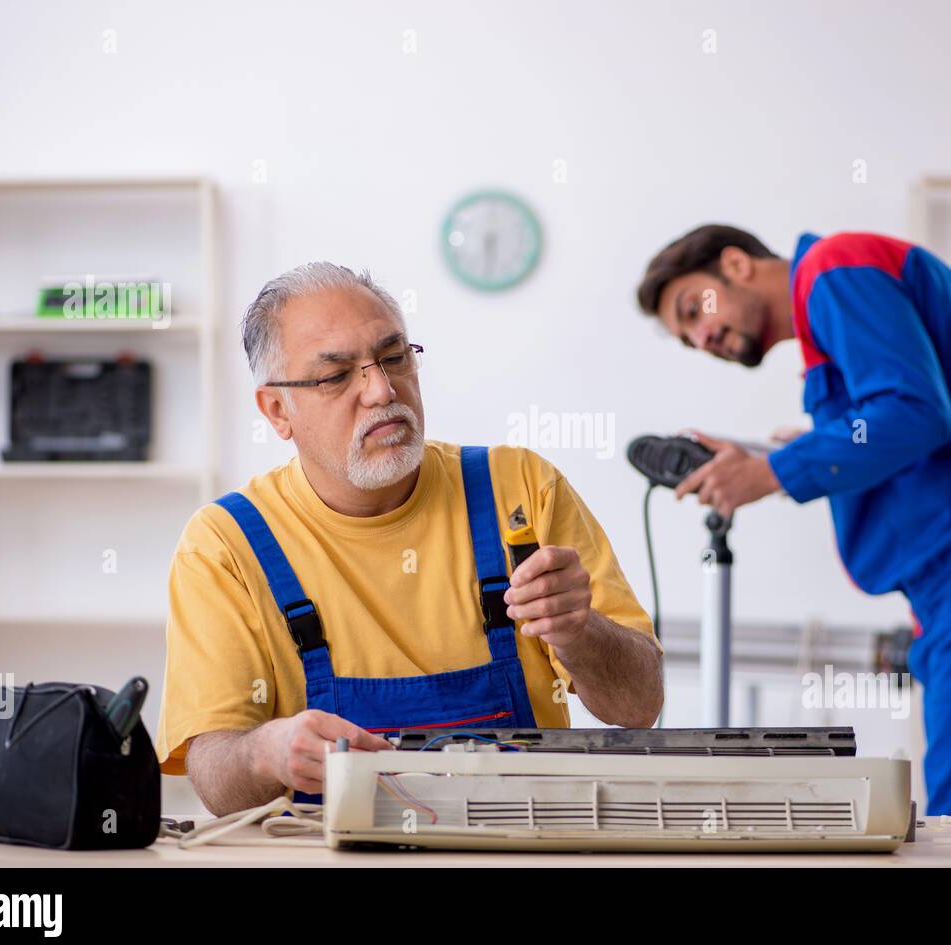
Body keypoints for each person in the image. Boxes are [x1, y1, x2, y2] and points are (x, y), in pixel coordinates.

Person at [158, 262, 662, 814]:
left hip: (523, 847)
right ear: (278, 410)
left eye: (394, 357)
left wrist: (578, 630)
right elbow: (212, 779)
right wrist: (265, 753)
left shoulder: (518, 489)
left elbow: (638, 705)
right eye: (336, 375)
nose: (380, 390)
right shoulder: (226, 544)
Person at [635, 225, 951, 816]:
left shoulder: (835, 266)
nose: (704, 336)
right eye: (690, 340)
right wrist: (777, 457)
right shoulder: (839, 294)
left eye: (695, 309)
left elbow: (916, 412)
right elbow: (909, 428)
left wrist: (774, 474)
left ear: (736, 264)